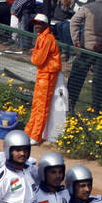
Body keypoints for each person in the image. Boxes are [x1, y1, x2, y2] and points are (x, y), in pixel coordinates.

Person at [24, 14, 63, 143]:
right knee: (36, 105)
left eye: (39, 23)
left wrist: (33, 55)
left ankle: (36, 136)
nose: (36, 26)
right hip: (43, 73)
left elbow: (38, 59)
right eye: (35, 23)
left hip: (48, 74)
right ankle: (29, 132)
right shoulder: (42, 37)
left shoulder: (47, 38)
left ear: (45, 25)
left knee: (42, 106)